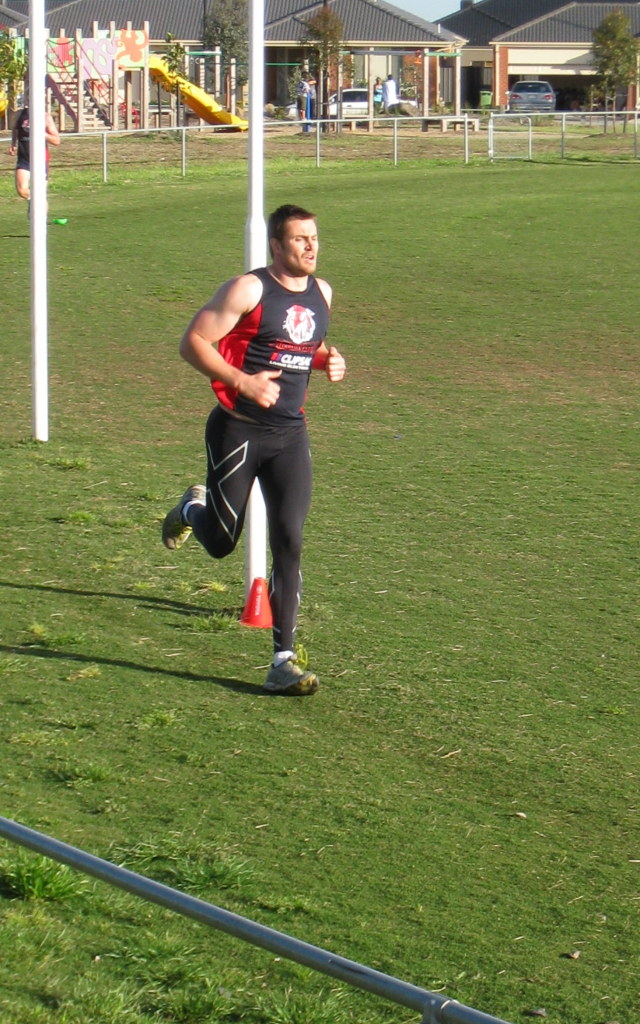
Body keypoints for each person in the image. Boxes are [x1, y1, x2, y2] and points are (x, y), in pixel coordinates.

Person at [162, 204, 346, 696]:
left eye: (314, 238)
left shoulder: (322, 292)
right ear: (276, 245)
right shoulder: (248, 289)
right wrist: (241, 381)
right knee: (222, 543)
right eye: (300, 239)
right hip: (237, 432)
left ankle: (282, 658)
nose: (311, 246)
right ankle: (190, 505)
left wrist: (331, 358)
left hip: (290, 435)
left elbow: (303, 346)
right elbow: (193, 342)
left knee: (290, 539)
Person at [9, 103, 60, 210]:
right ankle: (36, 201)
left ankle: (40, 212)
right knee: (22, 190)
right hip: (24, 159)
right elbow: (15, 129)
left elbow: (56, 141)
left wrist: (41, 133)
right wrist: (13, 143)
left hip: (41, 160)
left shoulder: (45, 117)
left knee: (39, 193)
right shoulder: (19, 114)